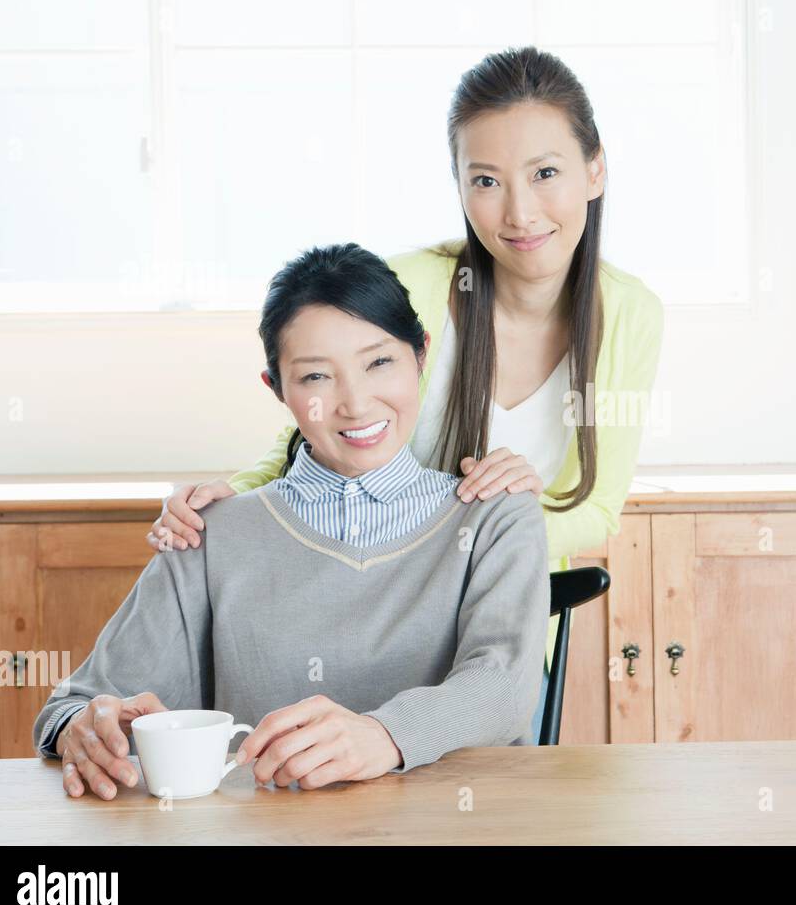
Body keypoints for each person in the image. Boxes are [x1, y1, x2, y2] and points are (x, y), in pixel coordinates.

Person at [145, 47, 665, 740]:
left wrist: (486, 536)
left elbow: (597, 511)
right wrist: (219, 505)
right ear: (458, 185)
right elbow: (315, 428)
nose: (520, 211)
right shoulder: (415, 283)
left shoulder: (629, 313)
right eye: (485, 180)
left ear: (595, 169)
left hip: (491, 640)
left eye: (546, 173)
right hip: (351, 615)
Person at [34, 243, 549, 799]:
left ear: (420, 355)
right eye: (315, 378)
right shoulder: (208, 534)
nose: (354, 404)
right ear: (276, 387)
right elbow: (76, 703)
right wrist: (84, 728)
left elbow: (505, 685)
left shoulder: (497, 513)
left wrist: (383, 735)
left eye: (379, 362)